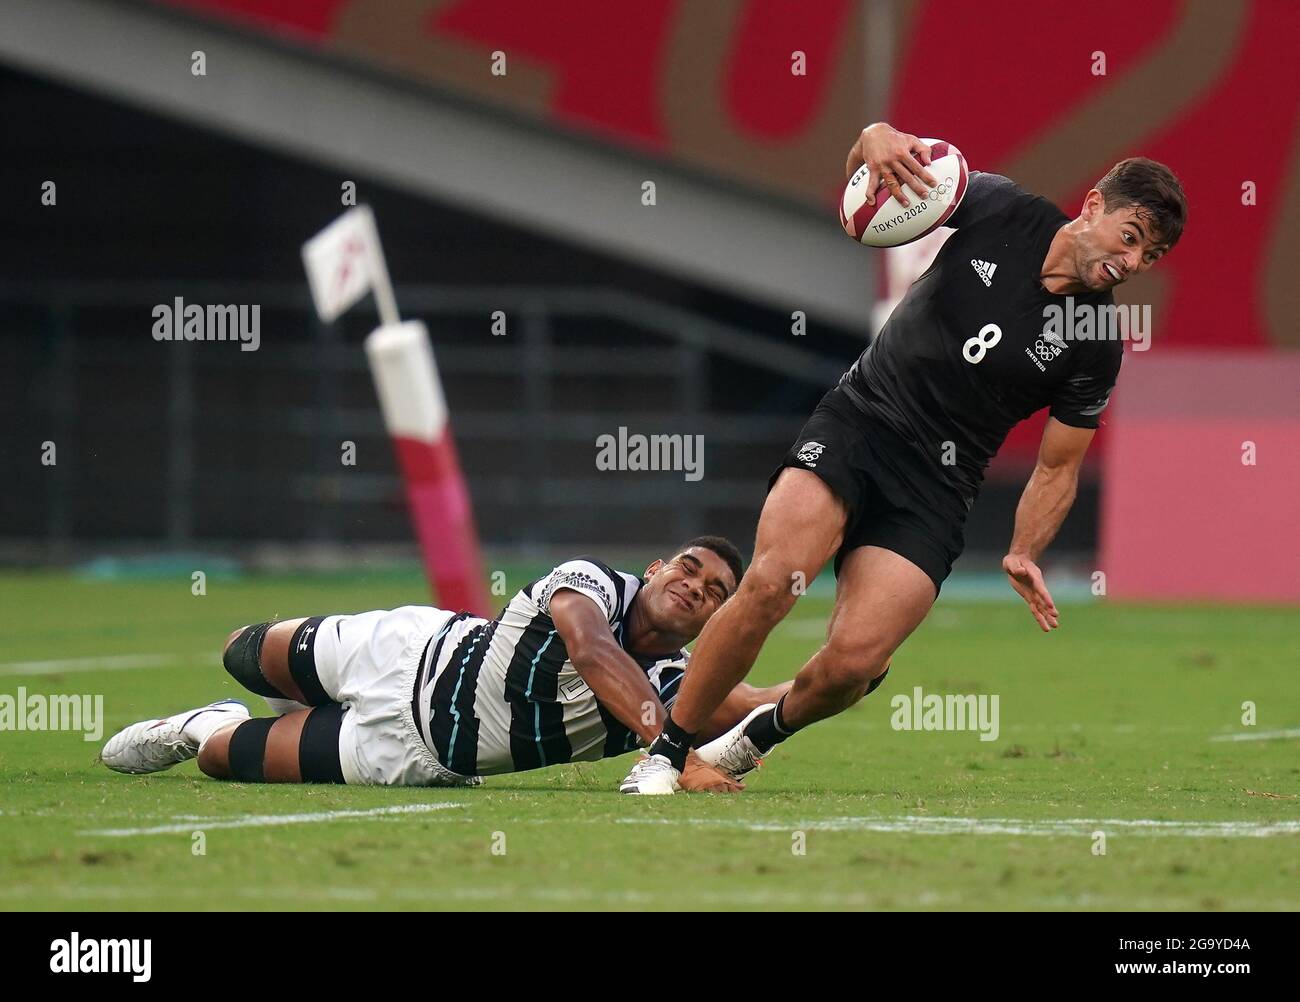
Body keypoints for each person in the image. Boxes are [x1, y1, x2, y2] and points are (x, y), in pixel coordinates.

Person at [622, 122, 1188, 794]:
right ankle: (666, 752)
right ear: (1093, 205)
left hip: (938, 488)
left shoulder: (1096, 340)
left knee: (855, 664)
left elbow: (1058, 466)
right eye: (1131, 236)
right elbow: (888, 166)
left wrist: (1024, 550)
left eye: (1149, 255)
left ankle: (743, 743)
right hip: (861, 422)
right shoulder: (1002, 207)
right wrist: (872, 135)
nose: (1132, 261)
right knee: (772, 581)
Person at [101, 537, 788, 791]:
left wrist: (843, 672)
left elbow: (754, 703)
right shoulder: (591, 581)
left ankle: (200, 725)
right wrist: (670, 754)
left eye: (715, 593)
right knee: (242, 652)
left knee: (222, 758)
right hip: (405, 652)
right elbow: (592, 649)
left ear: (717, 619)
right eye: (689, 568)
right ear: (656, 568)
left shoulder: (682, 683)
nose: (695, 585)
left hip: (415, 755)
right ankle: (243, 696)